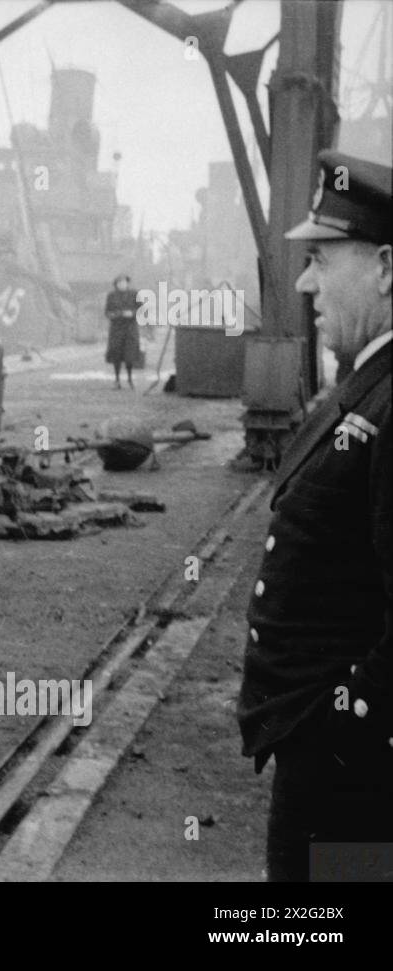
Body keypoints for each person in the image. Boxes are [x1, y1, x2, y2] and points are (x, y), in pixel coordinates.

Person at [237, 149, 393, 882]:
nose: (305, 282)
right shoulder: (364, 387)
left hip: (352, 770)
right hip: (323, 754)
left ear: (387, 269)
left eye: (323, 259)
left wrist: (342, 718)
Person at [104, 274, 142, 389]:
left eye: (124, 282)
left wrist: (132, 313)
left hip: (130, 329)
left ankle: (130, 379)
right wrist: (116, 314)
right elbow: (107, 312)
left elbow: (141, 309)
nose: (122, 284)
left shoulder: (134, 294)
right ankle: (117, 380)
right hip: (116, 329)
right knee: (117, 355)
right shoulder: (111, 296)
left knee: (129, 355)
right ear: (116, 284)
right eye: (119, 283)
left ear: (127, 283)